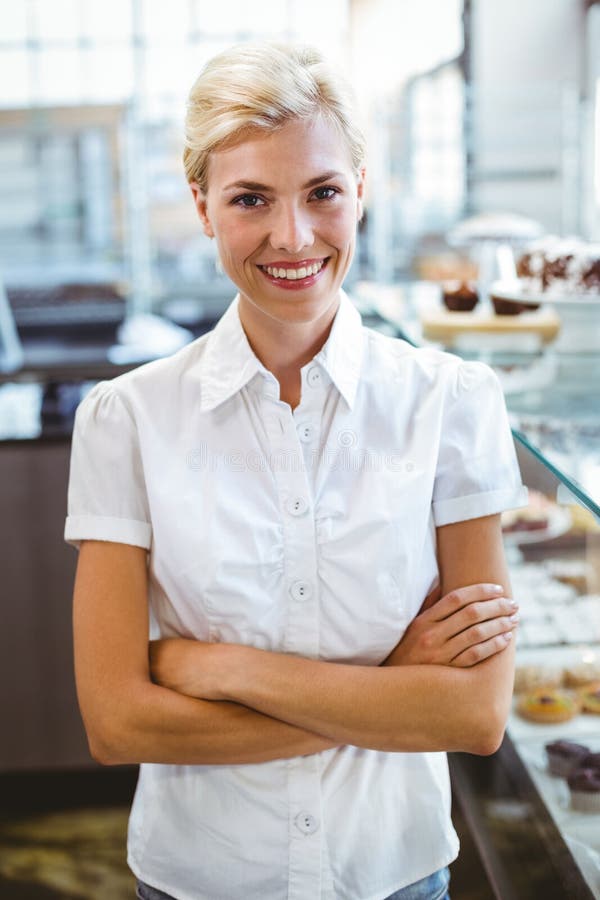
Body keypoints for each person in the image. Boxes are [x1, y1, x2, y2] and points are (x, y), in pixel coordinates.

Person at [65, 42, 527, 900]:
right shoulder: (124, 419)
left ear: (362, 188)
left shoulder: (451, 402)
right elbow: (117, 721)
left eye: (322, 193)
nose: (293, 236)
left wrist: (224, 671)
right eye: (250, 199)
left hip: (396, 874)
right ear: (202, 206)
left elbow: (473, 714)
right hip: (196, 880)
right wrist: (390, 691)